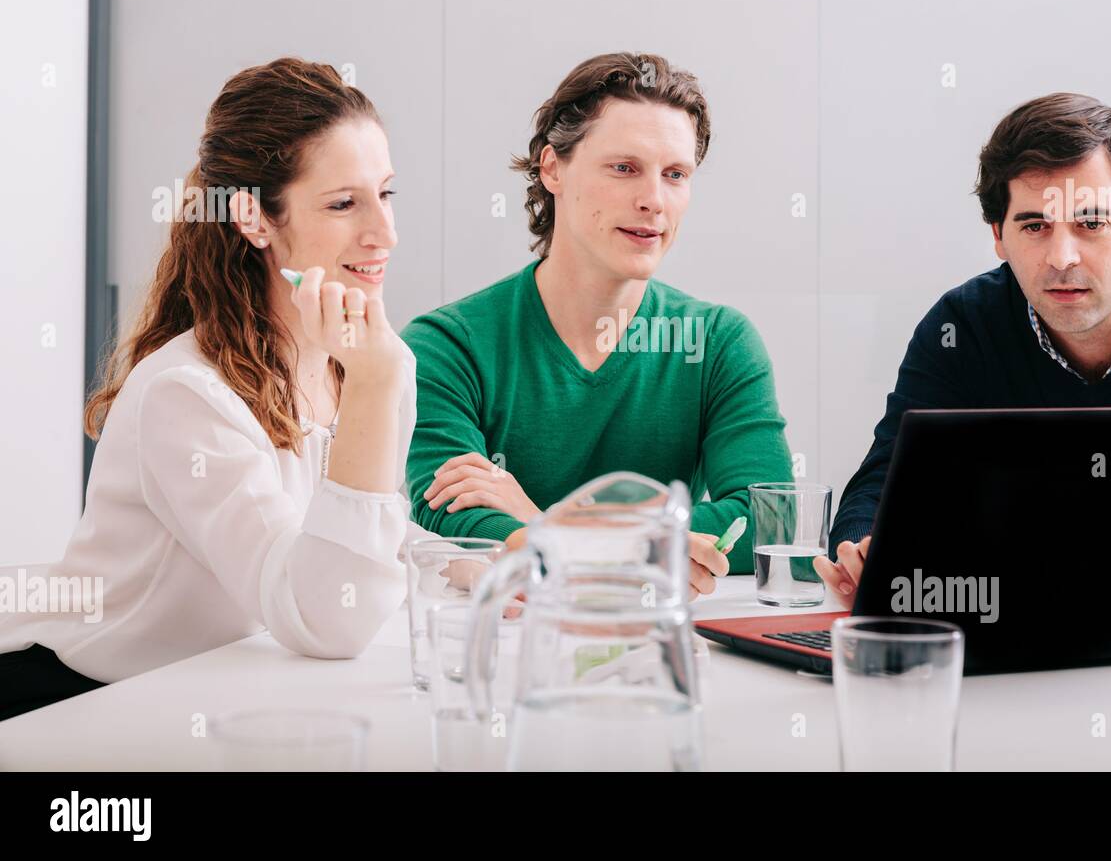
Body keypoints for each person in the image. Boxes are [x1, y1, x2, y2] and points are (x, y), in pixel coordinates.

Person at [0, 58, 417, 721]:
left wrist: (468, 567)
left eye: (386, 194)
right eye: (344, 203)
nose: (384, 233)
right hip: (80, 699)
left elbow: (359, 551)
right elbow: (327, 617)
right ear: (254, 220)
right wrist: (377, 384)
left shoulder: (356, 362)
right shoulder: (187, 392)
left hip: (222, 690)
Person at [815, 92, 1111, 614]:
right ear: (999, 236)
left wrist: (1093, 590)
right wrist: (864, 553)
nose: (1061, 258)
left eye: (1091, 223)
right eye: (1034, 226)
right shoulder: (963, 327)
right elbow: (886, 480)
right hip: (1012, 631)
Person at [402, 52, 793, 599]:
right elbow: (453, 519)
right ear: (552, 168)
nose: (653, 201)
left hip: (657, 651)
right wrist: (650, 541)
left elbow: (768, 520)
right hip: (501, 650)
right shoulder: (446, 347)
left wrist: (545, 522)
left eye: (675, 175)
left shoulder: (721, 342)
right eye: (624, 168)